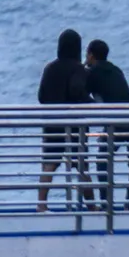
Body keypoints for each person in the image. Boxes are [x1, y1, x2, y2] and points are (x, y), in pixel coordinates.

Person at [37, 28, 93, 211]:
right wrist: (90, 103)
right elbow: (77, 91)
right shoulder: (78, 68)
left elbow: (41, 97)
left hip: (52, 122)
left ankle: (41, 204)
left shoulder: (49, 68)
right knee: (81, 166)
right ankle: (92, 206)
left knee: (49, 164)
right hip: (74, 124)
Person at [85, 38, 129, 191]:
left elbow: (82, 94)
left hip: (116, 123)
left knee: (101, 164)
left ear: (91, 55)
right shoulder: (116, 70)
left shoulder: (93, 73)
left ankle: (106, 201)